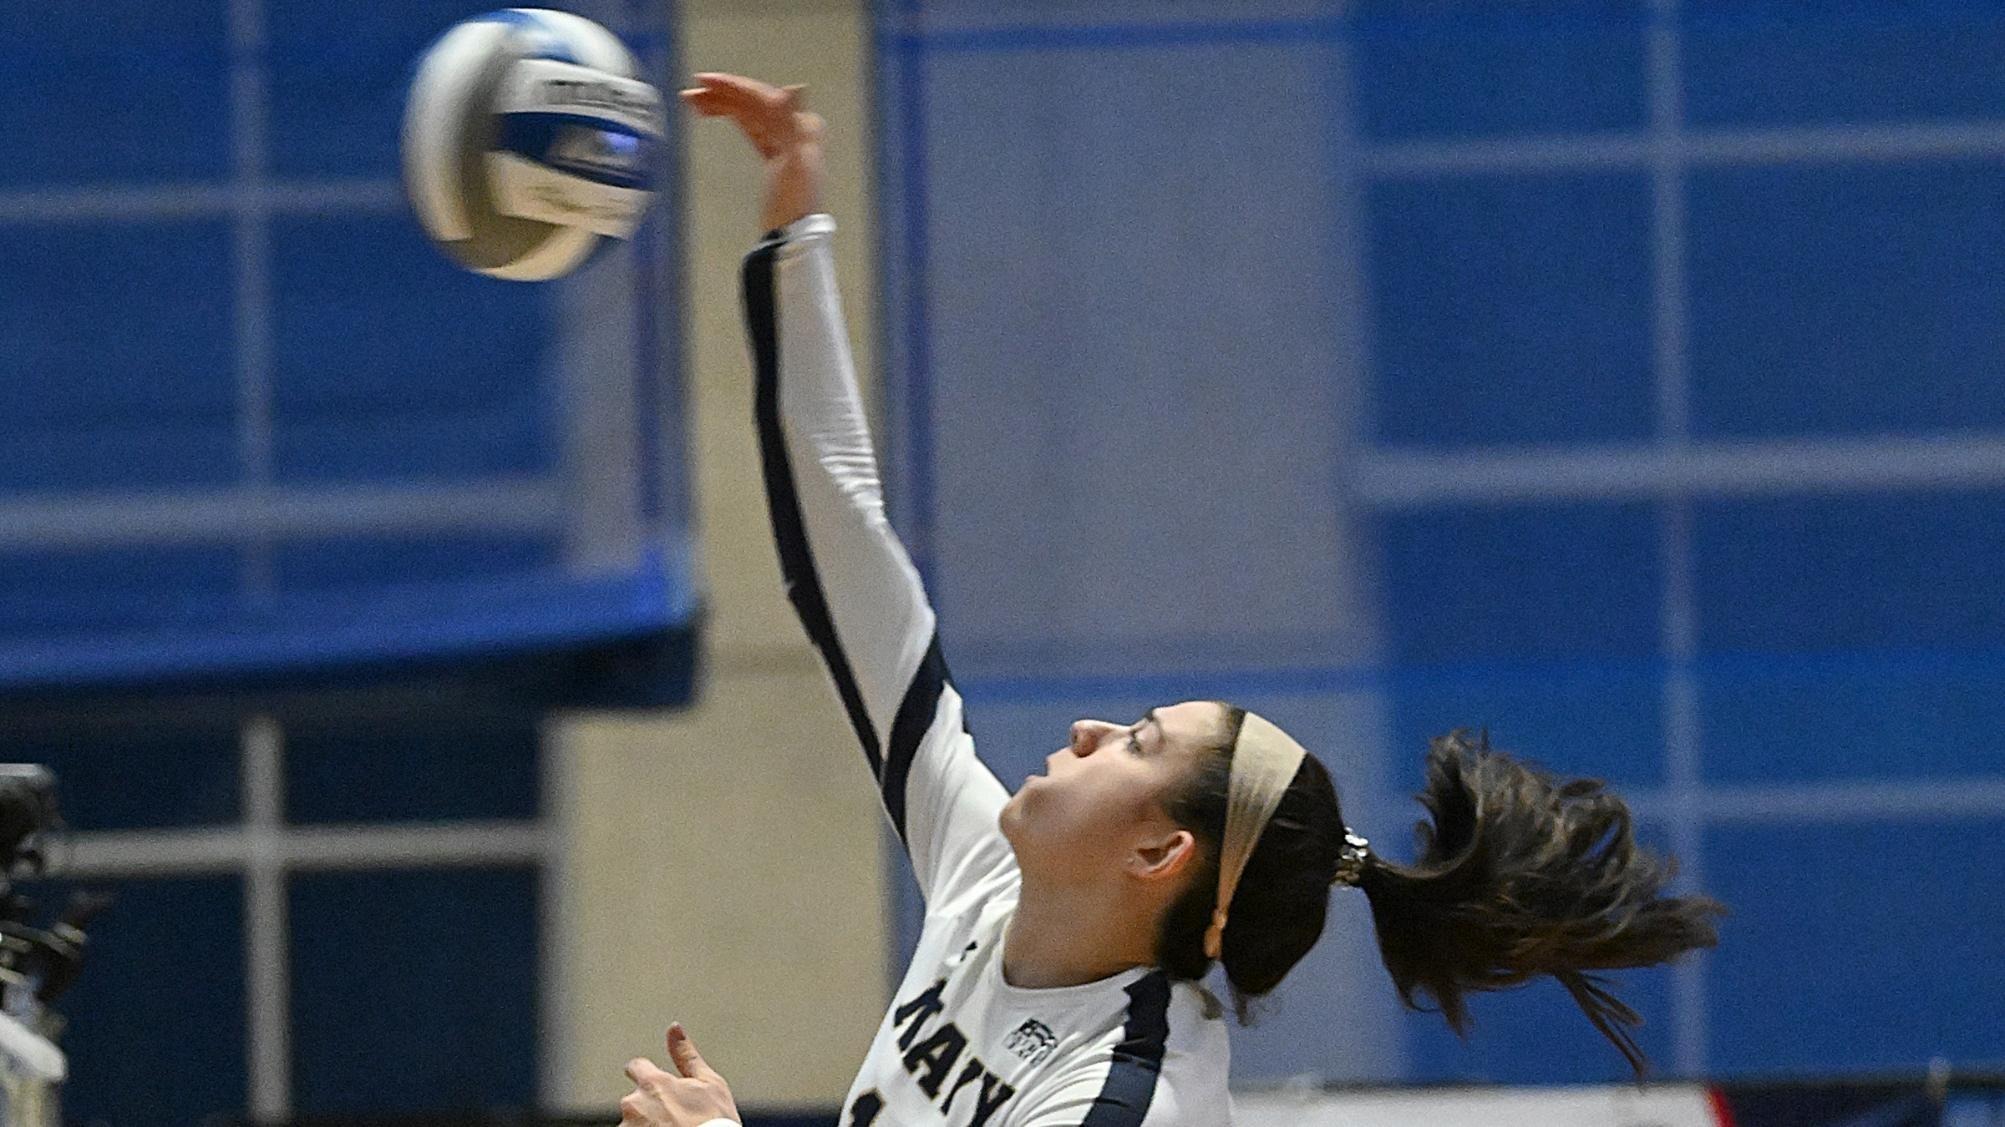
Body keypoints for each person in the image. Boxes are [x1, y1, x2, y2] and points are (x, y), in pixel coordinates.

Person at [617, 72, 1724, 1127]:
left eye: (1136, 742)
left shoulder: (1134, 1093)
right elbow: (846, 565)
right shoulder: (986, 879)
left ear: (1158, 853)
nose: (1089, 728)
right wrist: (794, 235)